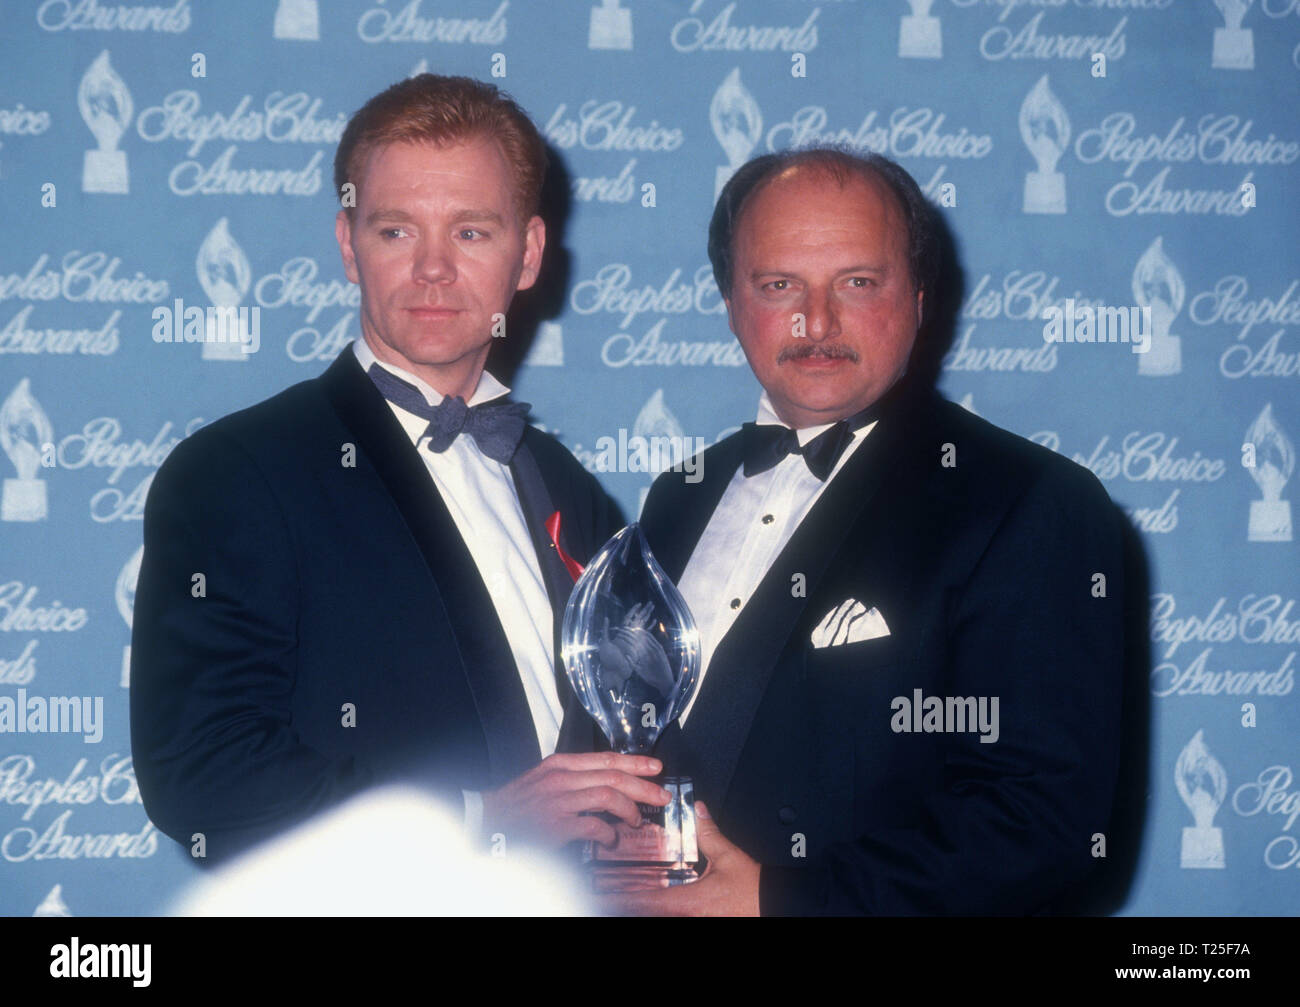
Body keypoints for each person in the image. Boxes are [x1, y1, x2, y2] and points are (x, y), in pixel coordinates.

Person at [130, 74, 669, 866]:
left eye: (472, 232)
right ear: (348, 246)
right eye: (396, 232)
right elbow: (200, 773)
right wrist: (475, 817)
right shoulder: (238, 471)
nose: (433, 270)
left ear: (528, 254)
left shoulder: (566, 485)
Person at [618, 146, 1128, 916]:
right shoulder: (677, 496)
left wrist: (781, 899)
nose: (815, 320)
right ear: (731, 302)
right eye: (779, 283)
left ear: (920, 297)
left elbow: (1045, 821)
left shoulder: (1030, 502)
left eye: (857, 282)